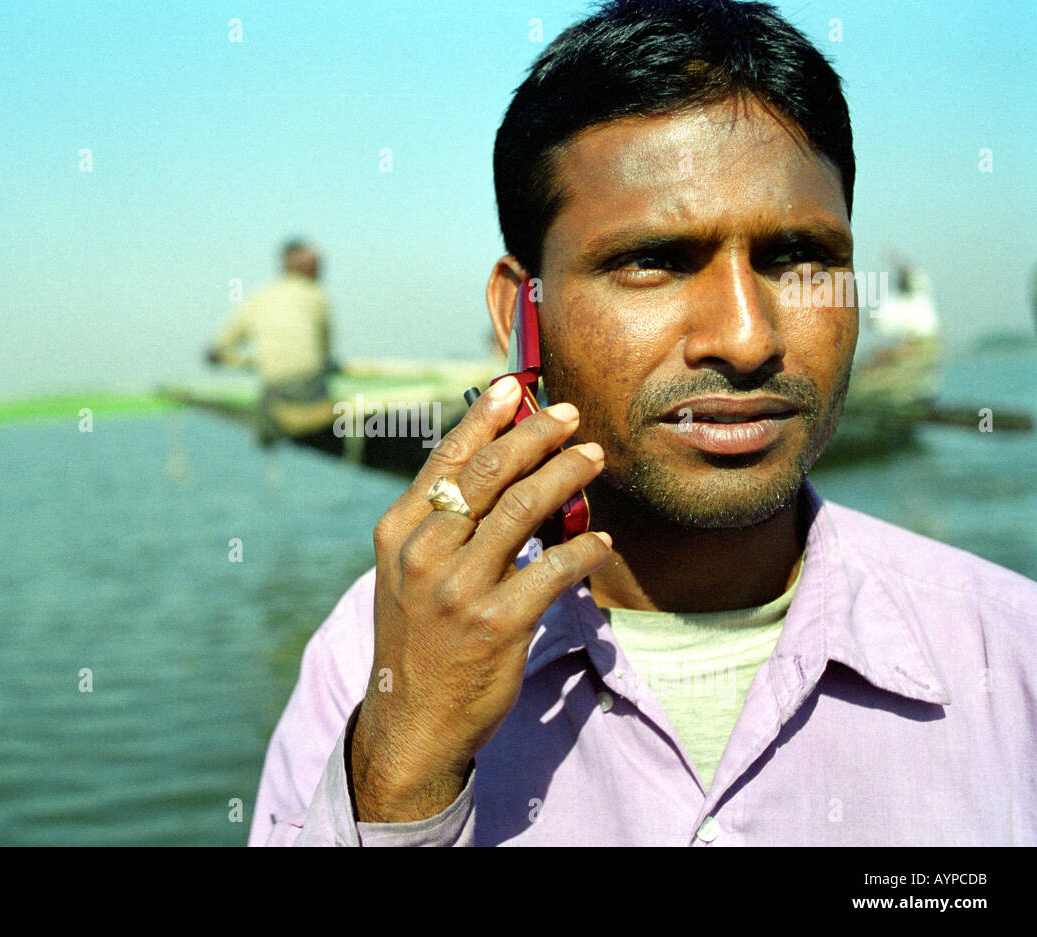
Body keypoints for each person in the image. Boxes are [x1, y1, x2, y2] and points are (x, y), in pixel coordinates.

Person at [248, 0, 1037, 846]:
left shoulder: (1012, 655)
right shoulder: (375, 657)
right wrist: (400, 776)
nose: (745, 337)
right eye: (651, 262)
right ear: (524, 313)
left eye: (799, 258)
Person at [206, 239, 333, 444]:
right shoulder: (316, 295)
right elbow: (325, 345)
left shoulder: (259, 296)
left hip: (277, 390)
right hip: (312, 387)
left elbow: (223, 344)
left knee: (267, 426)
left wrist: (219, 355)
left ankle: (270, 431)